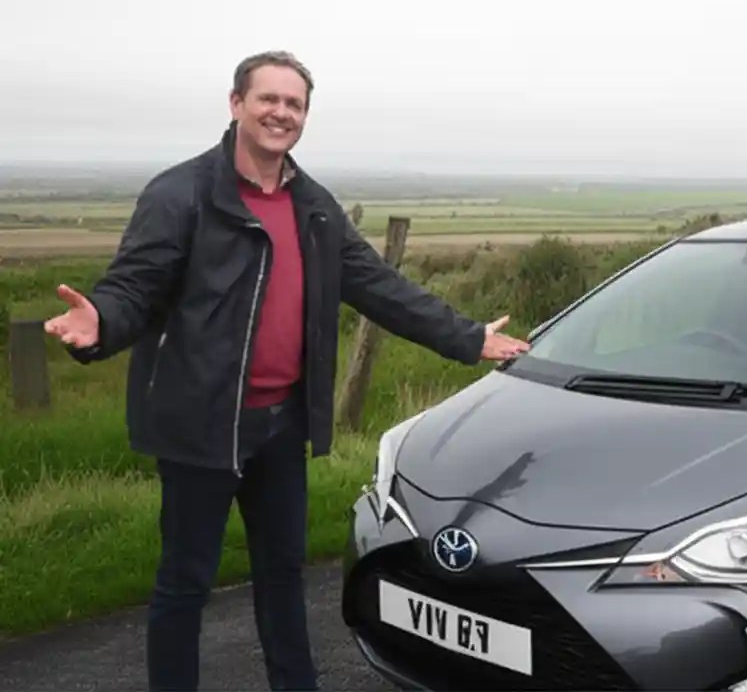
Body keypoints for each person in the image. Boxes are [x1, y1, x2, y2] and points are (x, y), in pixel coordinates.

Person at [42, 50, 530, 691]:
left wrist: (466, 338)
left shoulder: (314, 206)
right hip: (201, 426)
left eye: (294, 104)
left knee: (283, 575)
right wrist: (100, 323)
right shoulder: (182, 194)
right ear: (236, 104)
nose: (281, 113)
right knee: (185, 581)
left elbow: (377, 286)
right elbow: (135, 287)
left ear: (304, 116)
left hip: (281, 426)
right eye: (268, 99)